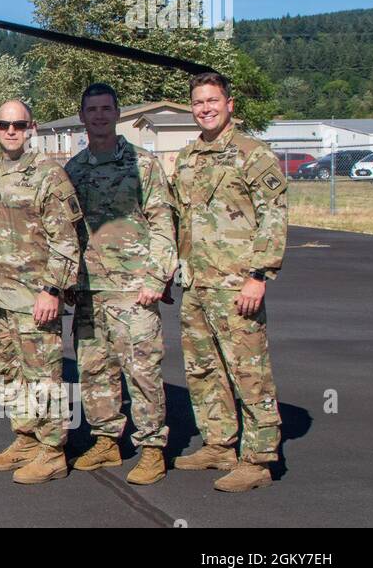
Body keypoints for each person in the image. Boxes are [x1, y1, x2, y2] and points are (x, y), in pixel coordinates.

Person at [171, 72, 286, 492]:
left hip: (237, 283)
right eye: (199, 102)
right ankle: (219, 443)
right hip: (196, 283)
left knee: (249, 371)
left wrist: (259, 275)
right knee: (204, 369)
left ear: (230, 104)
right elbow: (179, 218)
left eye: (213, 100)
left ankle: (258, 459)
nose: (206, 108)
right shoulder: (187, 158)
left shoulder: (253, 155)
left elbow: (273, 217)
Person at [63, 83, 175, 486]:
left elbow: (163, 223)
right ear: (82, 116)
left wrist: (156, 277)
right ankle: (107, 438)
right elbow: (65, 231)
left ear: (117, 113)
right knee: (94, 370)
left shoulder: (143, 165)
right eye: (91, 109)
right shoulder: (73, 170)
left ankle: (151, 449)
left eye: (106, 108)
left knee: (142, 370)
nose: (98, 116)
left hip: (134, 289)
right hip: (89, 289)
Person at [0, 99, 81, 485]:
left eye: (19, 124)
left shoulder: (50, 175)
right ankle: (26, 437)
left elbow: (67, 240)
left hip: (34, 298)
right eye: (4, 124)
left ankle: (52, 450)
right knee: (6, 373)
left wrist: (52, 289)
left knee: (43, 377)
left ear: (31, 128)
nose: (11, 130)